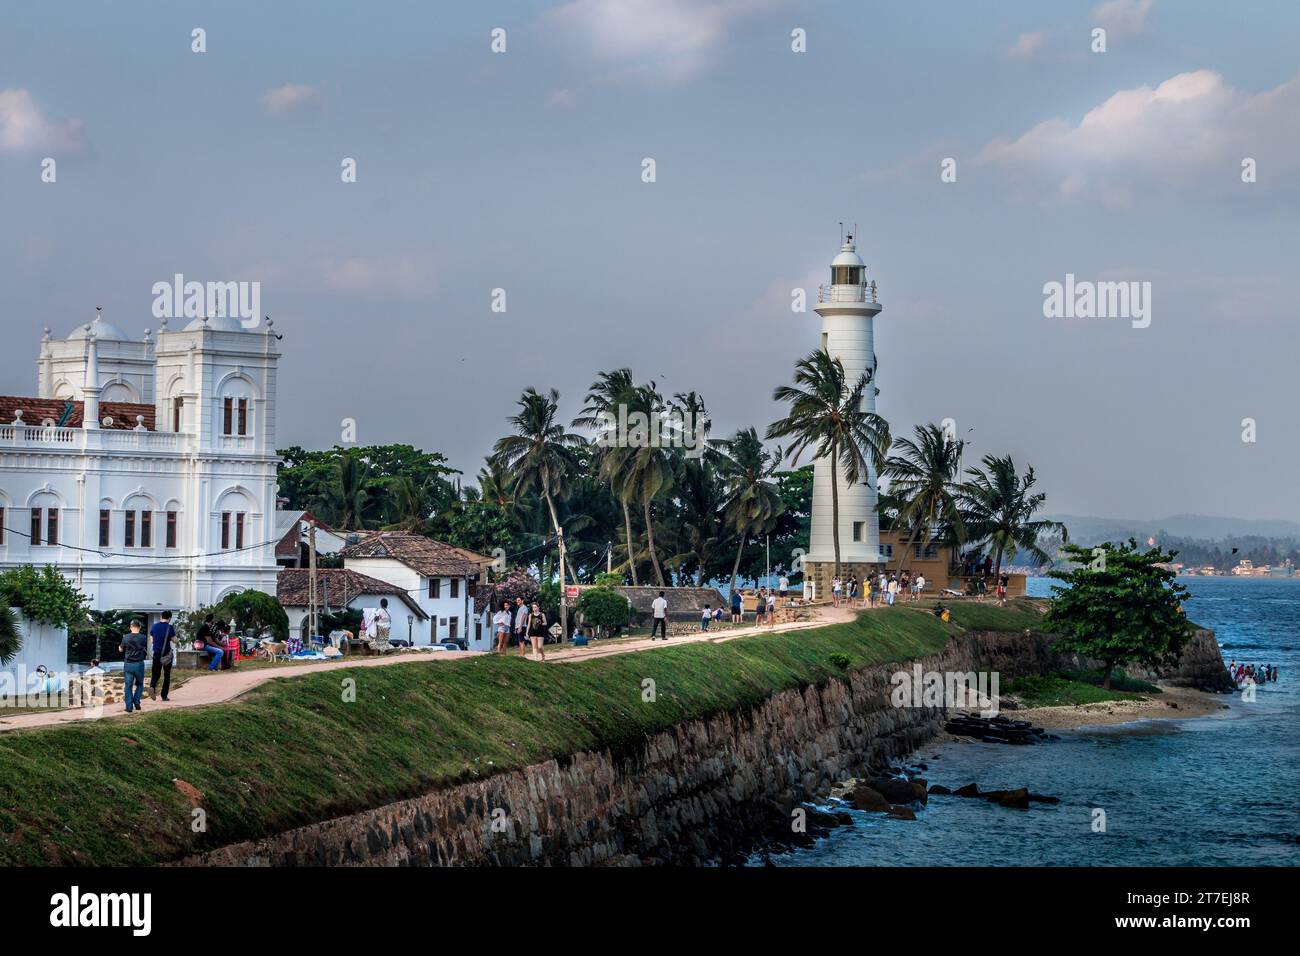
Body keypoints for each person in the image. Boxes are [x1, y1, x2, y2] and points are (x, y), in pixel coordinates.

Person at [119, 619, 148, 712]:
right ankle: (136, 701)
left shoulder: (125, 637)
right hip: (139, 664)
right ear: (139, 627)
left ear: (131, 627)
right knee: (139, 684)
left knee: (128, 686)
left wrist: (119, 647)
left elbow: (121, 649)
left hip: (128, 664)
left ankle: (129, 707)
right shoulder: (143, 637)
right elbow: (142, 647)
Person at [149, 610, 176, 701]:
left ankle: (152, 686)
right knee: (166, 675)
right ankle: (164, 696)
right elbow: (174, 640)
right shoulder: (169, 627)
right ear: (169, 618)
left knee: (155, 673)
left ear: (161, 617)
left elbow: (152, 640)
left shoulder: (154, 626)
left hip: (156, 653)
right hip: (166, 654)